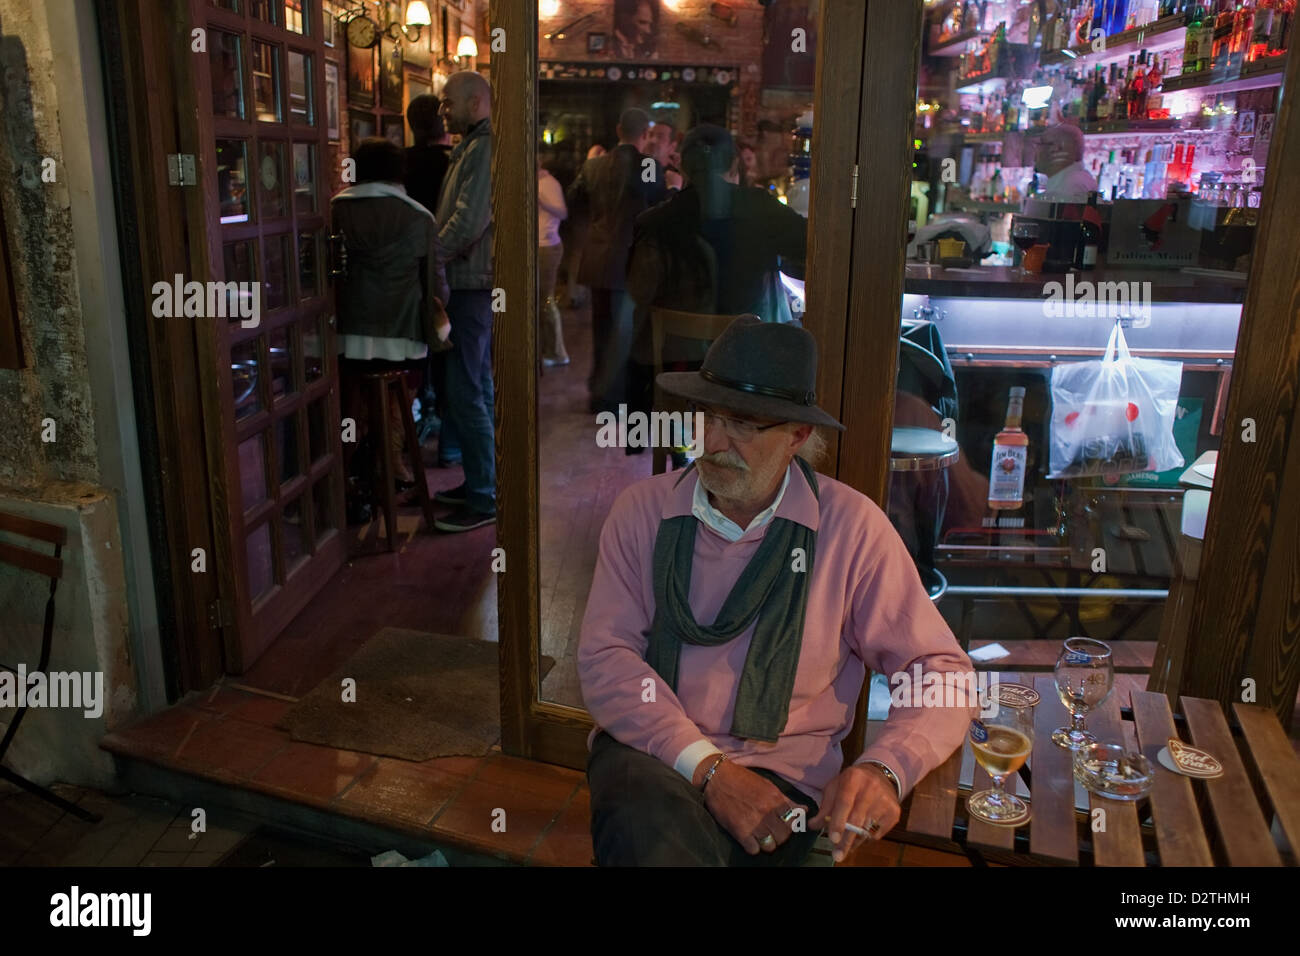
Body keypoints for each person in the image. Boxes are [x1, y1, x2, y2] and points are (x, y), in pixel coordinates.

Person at [579, 316, 976, 866]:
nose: (713, 442)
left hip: (783, 786)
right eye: (707, 417)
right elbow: (606, 658)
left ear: (798, 435)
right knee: (643, 817)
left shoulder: (850, 530)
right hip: (657, 758)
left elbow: (942, 674)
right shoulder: (641, 514)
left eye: (741, 424)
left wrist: (886, 767)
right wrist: (712, 770)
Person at [623, 124, 809, 420]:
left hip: (678, 376)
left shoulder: (654, 222)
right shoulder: (762, 208)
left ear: (682, 167)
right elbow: (814, 249)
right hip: (751, 376)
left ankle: (682, 448)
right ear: (735, 166)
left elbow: (637, 295)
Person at [331, 138, 450, 523]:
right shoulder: (418, 216)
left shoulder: (334, 209)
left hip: (345, 335)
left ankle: (347, 478)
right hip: (403, 339)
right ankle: (393, 467)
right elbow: (437, 286)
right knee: (399, 400)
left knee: (351, 401)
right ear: (401, 172)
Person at [566, 107, 669, 414]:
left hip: (598, 260)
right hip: (634, 262)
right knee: (626, 334)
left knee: (602, 331)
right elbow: (659, 208)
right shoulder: (649, 166)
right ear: (645, 135)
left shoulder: (594, 166)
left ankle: (600, 397)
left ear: (617, 129)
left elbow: (573, 201)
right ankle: (617, 398)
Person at [431, 70, 496, 533]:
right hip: (469, 281)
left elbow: (468, 221)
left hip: (470, 284)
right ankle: (482, 482)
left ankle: (483, 496)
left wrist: (427, 253)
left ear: (476, 102)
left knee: (465, 390)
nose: (442, 110)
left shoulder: (484, 147)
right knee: (475, 387)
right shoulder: (473, 146)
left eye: (447, 101)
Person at [538, 151, 570, 367]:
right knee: (541, 300)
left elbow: (563, 212)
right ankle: (547, 349)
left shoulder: (548, 183)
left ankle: (558, 353)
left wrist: (540, 200)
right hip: (540, 246)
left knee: (546, 300)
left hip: (547, 247)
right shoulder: (540, 181)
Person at [1028, 122, 1098, 205]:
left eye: (1040, 144)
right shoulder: (1070, 181)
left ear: (1056, 149)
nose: (1035, 151)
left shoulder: (1071, 186)